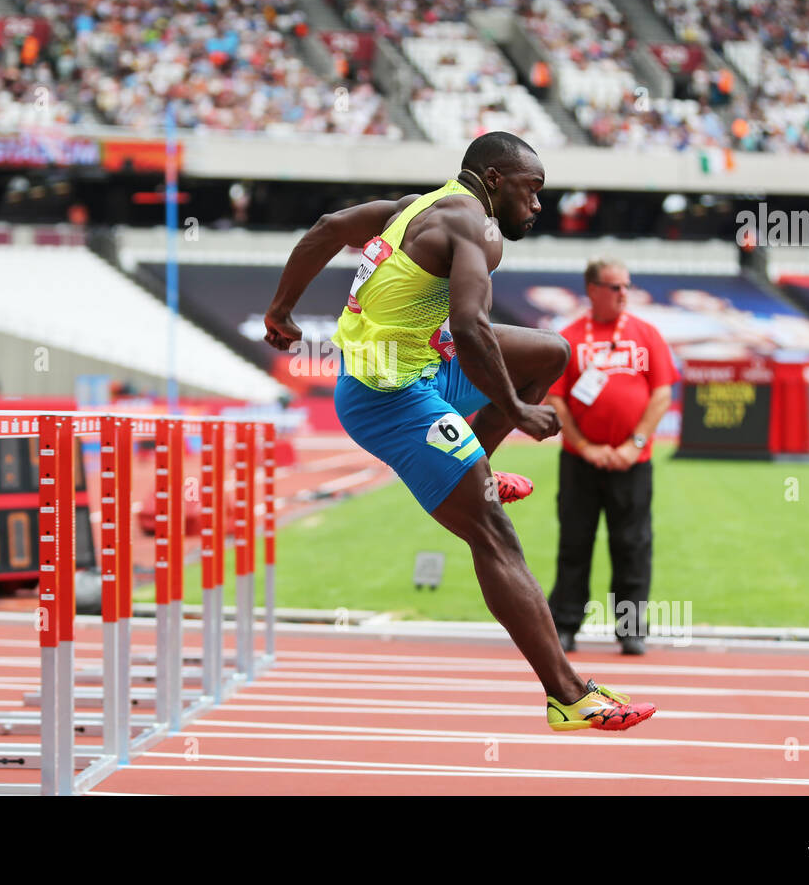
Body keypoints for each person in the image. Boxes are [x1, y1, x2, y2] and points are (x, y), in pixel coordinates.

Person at [263, 132, 655, 732]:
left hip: (423, 367)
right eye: (533, 190)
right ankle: (567, 695)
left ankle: (482, 463)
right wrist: (520, 413)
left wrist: (281, 310)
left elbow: (326, 226)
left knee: (550, 352)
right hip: (388, 400)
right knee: (494, 534)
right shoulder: (476, 231)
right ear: (495, 180)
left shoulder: (414, 206)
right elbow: (471, 328)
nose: (538, 205)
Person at [545, 259, 679, 656]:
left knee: (633, 544)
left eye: (626, 286)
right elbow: (555, 398)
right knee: (574, 542)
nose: (624, 294)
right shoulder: (568, 338)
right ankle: (565, 625)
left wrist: (633, 445)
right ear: (592, 289)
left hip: (631, 463)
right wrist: (586, 446)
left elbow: (662, 393)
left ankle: (631, 629)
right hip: (580, 461)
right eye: (615, 287)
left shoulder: (646, 335)